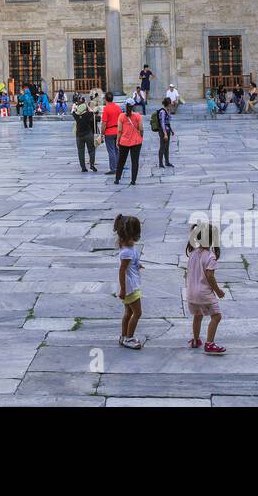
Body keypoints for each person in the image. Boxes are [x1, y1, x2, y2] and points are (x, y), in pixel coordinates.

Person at [185, 222, 226, 354]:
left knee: (197, 315)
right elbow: (210, 276)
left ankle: (196, 340)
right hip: (204, 294)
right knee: (216, 316)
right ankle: (210, 343)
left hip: (191, 294)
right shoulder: (210, 256)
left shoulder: (192, 254)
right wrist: (218, 291)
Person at [114, 214, 144, 350]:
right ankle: (129, 337)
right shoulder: (126, 252)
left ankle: (123, 336)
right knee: (137, 313)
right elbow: (122, 271)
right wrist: (123, 290)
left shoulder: (129, 249)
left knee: (129, 313)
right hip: (130, 287)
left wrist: (138, 265)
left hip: (130, 285)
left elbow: (130, 265)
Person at [114, 102, 144, 186]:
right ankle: (133, 180)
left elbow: (119, 130)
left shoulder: (121, 116)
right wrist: (141, 136)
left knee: (121, 161)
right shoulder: (138, 116)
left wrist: (117, 140)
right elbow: (141, 128)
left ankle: (117, 179)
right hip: (136, 141)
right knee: (135, 161)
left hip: (124, 142)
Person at [73, 96, 98, 172]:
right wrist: (87, 105)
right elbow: (92, 111)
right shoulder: (88, 114)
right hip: (88, 134)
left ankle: (83, 167)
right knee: (91, 150)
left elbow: (73, 110)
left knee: (80, 151)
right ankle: (92, 164)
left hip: (79, 135)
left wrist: (75, 107)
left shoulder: (75, 115)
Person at [101, 92, 122, 173]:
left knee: (111, 151)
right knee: (117, 150)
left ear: (106, 99)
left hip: (109, 132)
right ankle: (118, 166)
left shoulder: (106, 109)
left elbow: (104, 123)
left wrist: (102, 134)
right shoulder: (118, 108)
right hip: (117, 131)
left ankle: (113, 168)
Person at [152, 100, 174, 169]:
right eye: (170, 103)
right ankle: (160, 163)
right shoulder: (162, 112)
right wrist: (165, 134)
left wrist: (171, 130)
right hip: (163, 131)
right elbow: (162, 123)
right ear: (168, 104)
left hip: (167, 131)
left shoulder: (167, 111)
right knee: (162, 147)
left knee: (166, 147)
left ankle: (167, 162)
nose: (171, 105)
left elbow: (168, 122)